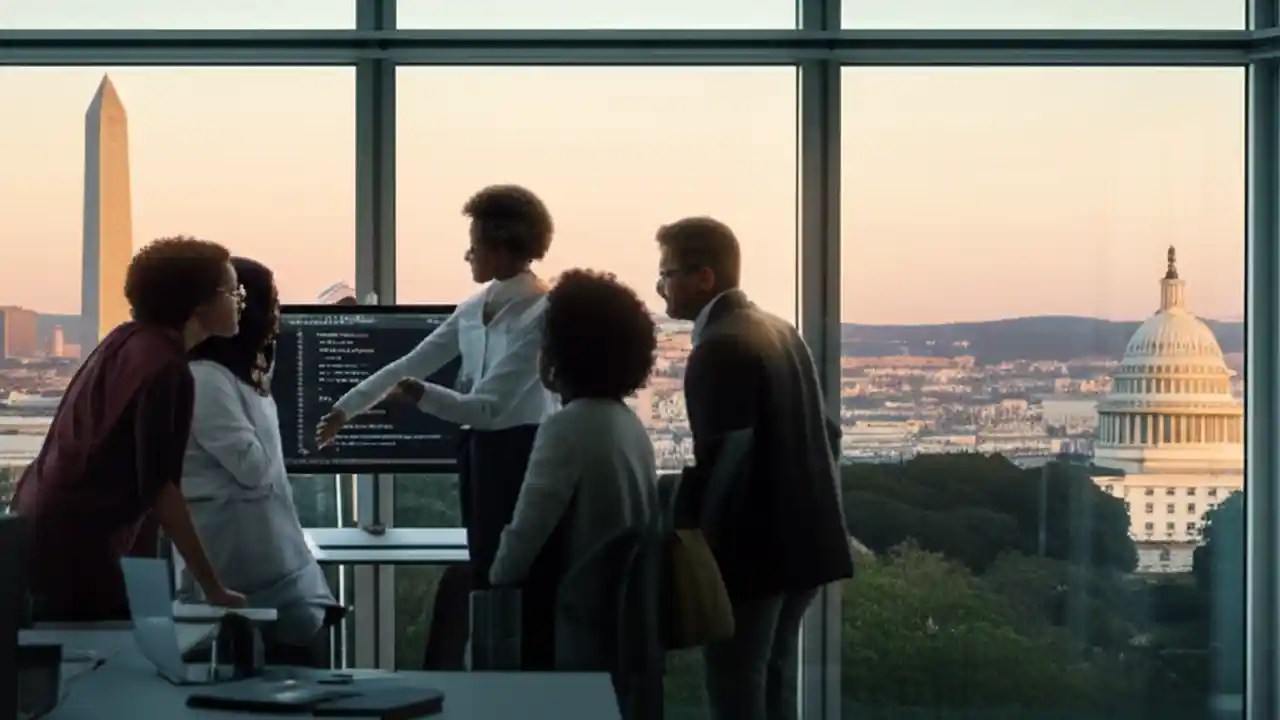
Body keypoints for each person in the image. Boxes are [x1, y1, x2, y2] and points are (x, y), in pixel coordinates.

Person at [314, 184, 559, 668]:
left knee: (517, 572)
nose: (468, 255)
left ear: (502, 247)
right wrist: (347, 408)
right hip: (478, 452)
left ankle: (520, 674)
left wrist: (422, 396)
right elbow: (413, 361)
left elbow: (490, 406)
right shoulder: (475, 307)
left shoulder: (543, 313)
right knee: (488, 567)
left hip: (523, 453)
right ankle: (490, 666)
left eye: (474, 245)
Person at [655, 217, 853, 720]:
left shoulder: (719, 347)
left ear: (704, 277)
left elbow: (724, 464)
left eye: (667, 275)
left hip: (751, 553)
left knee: (735, 680)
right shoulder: (778, 329)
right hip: (809, 541)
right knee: (773, 675)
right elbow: (828, 434)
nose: (660, 289)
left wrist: (689, 538)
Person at [10, 236, 247, 621]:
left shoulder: (123, 341)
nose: (238, 301)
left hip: (42, 528)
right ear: (200, 302)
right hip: (82, 551)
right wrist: (213, 588)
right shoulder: (166, 369)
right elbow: (161, 488)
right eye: (232, 291)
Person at [489, 269, 660, 670]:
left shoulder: (567, 427)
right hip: (622, 634)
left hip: (570, 629)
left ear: (563, 350)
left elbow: (517, 552)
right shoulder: (628, 425)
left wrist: (491, 572)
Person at [180, 256, 337, 660]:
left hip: (275, 574)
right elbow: (253, 468)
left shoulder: (236, 379)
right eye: (274, 304)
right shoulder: (205, 379)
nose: (279, 318)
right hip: (251, 581)